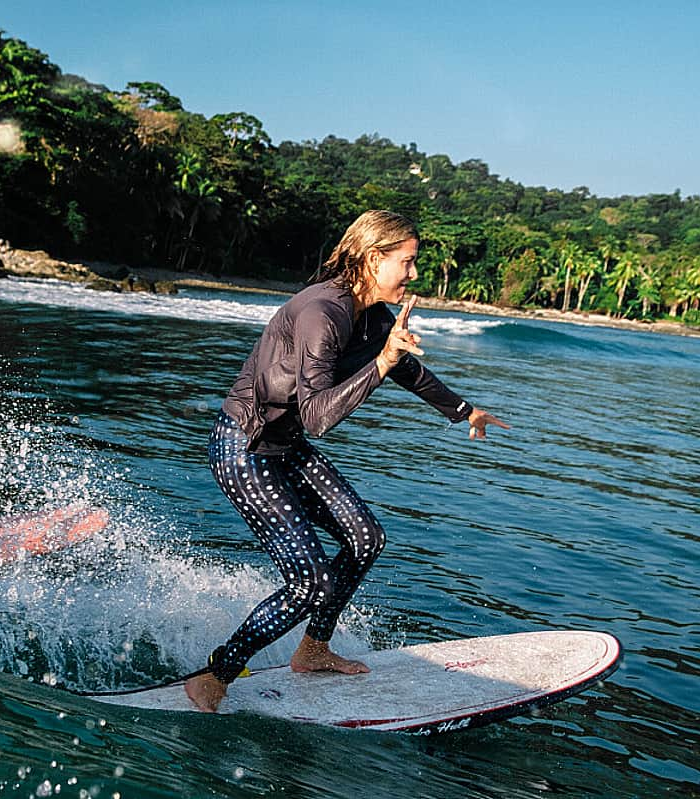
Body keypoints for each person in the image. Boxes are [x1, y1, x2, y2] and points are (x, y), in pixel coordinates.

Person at [185, 210, 509, 712]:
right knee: (311, 581)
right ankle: (215, 674)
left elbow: (409, 372)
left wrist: (465, 411)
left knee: (366, 539)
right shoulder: (323, 312)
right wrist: (381, 362)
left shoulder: (370, 314)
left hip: (285, 447)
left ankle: (313, 649)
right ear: (372, 257)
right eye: (407, 262)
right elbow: (317, 416)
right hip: (245, 448)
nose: (414, 274)